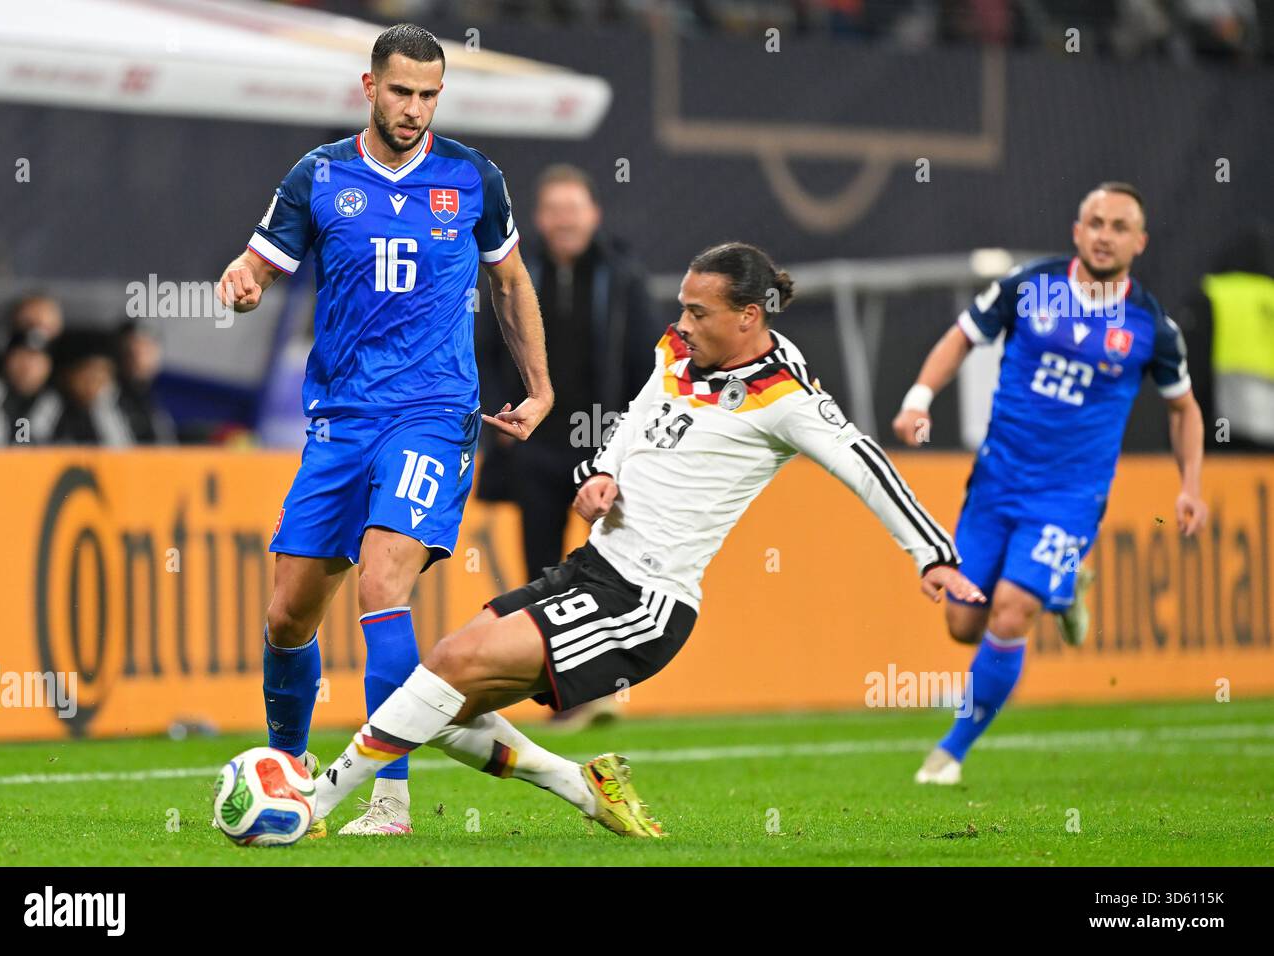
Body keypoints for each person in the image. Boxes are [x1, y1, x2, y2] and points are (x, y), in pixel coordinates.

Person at [308, 242, 984, 838]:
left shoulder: (786, 399)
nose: (682, 324)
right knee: (437, 705)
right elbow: (641, 411)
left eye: (699, 312)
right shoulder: (678, 353)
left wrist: (933, 556)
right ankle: (583, 786)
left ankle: (311, 804)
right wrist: (604, 469)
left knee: (450, 665)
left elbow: (866, 466)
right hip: (591, 569)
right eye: (684, 308)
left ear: (749, 316)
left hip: (645, 602)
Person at [214, 24, 552, 837]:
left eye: (430, 95)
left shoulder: (472, 177)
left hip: (434, 412)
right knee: (288, 615)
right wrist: (241, 278)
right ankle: (289, 772)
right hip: (339, 418)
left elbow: (509, 281)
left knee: (380, 586)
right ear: (369, 88)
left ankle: (388, 799)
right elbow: (261, 263)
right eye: (402, 92)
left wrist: (541, 389)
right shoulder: (320, 175)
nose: (415, 108)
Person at [890, 182, 1207, 786]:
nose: (1105, 234)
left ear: (1139, 242)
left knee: (1011, 612)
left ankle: (951, 752)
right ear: (1076, 230)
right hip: (996, 483)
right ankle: (1065, 590)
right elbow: (962, 335)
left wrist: (1189, 484)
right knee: (963, 625)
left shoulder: (1151, 327)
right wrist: (919, 398)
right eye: (1095, 222)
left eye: (1119, 226)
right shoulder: (1028, 287)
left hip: (1069, 497)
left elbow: (1183, 408)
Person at [475, 163, 657, 729]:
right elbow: (487, 354)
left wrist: (633, 445)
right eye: (554, 210)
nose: (564, 219)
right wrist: (503, 432)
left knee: (609, 570)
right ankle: (562, 697)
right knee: (541, 573)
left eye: (573, 208)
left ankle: (598, 683)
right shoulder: (515, 274)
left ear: (593, 214)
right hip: (534, 450)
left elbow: (643, 366)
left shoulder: (622, 278)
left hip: (602, 452)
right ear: (538, 219)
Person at [0, 329, 61, 446]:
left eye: (36, 360)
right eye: (21, 357)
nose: (27, 367)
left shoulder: (53, 398)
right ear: (7, 360)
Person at [50, 330, 133, 446]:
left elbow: (124, 453)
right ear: (67, 374)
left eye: (104, 372)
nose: (95, 381)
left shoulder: (117, 407)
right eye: (88, 371)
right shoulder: (52, 403)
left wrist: (103, 409)